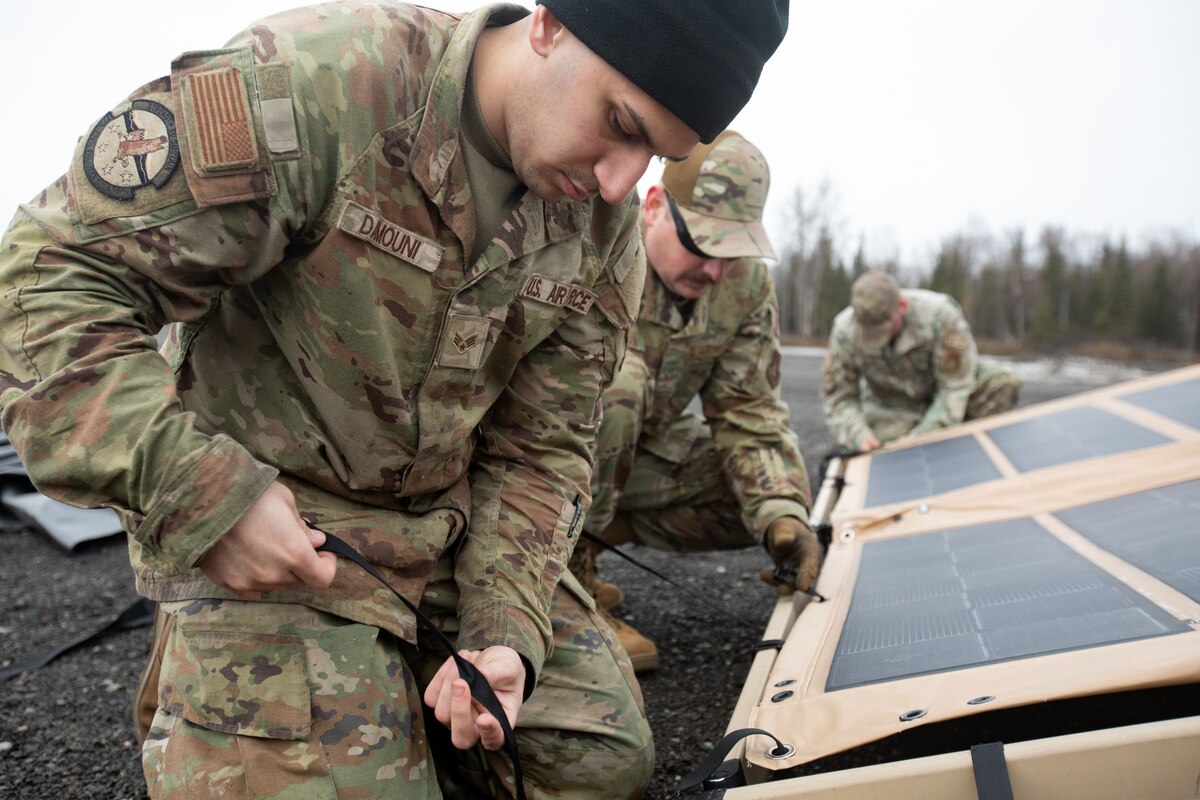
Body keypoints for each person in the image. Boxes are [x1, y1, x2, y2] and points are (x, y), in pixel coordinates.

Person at [0, 1, 789, 797]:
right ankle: (223, 680)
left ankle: (369, 709)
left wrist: (505, 633)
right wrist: (203, 497)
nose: (622, 181)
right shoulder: (315, 85)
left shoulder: (604, 225)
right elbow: (41, 287)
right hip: (281, 535)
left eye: (657, 153)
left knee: (599, 761)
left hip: (441, 532)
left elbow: (541, 447)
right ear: (550, 25)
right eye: (620, 122)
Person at [570, 131, 821, 673]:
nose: (715, 272)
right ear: (656, 207)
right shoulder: (587, 246)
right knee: (619, 386)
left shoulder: (744, 287)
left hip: (630, 464)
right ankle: (557, 591)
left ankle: (591, 538)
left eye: (732, 253)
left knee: (757, 498)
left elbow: (747, 413)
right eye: (705, 246)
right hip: (543, 459)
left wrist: (782, 515)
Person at [822, 270, 1022, 452]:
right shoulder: (844, 332)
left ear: (901, 306)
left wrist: (923, 436)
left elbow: (955, 386)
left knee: (1001, 384)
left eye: (883, 327)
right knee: (882, 447)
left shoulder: (939, 316)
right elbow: (840, 397)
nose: (878, 338)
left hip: (942, 396)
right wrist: (859, 436)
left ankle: (967, 449)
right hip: (891, 408)